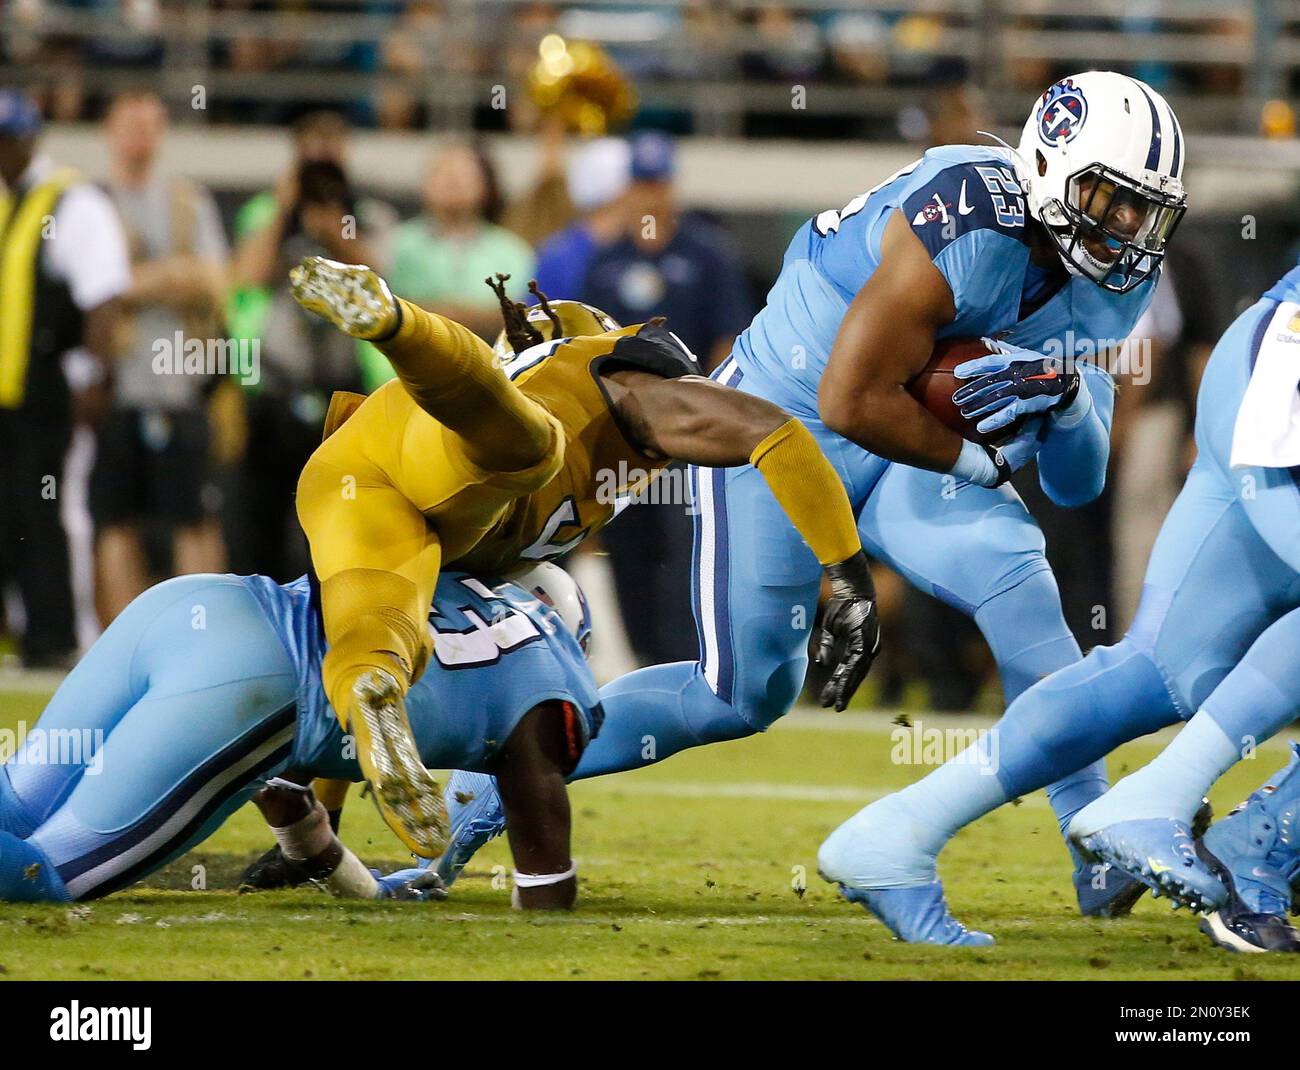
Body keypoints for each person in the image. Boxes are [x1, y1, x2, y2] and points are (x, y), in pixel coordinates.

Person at [431, 72, 1190, 943]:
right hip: (782, 423)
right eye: (1110, 198)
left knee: (1021, 586)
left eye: (1143, 209)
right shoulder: (966, 218)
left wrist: (1069, 398)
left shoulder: (1116, 277)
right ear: (1053, 167)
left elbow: (1076, 486)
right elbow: (849, 399)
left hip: (906, 436)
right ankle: (496, 779)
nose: (1127, 227)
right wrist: (981, 458)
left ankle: (1091, 839)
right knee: (738, 695)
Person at [283, 254, 878, 859]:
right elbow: (776, 434)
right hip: (439, 447)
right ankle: (397, 322)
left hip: (366, 492)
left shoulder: (580, 427)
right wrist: (849, 576)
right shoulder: (620, 385)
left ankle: (313, 824)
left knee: (374, 638)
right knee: (529, 451)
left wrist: (315, 828)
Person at [819, 257, 1300, 950]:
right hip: (1284, 359)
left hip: (1263, 362)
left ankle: (901, 828)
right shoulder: (971, 251)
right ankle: (1205, 819)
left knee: (1165, 673)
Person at [0, 562, 598, 911]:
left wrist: (360, 884)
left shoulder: (438, 571)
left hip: (193, 603)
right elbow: (544, 878)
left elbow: (284, 794)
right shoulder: (554, 679)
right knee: (47, 875)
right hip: (264, 678)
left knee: (17, 804)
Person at [0, 88, 130, 667]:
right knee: (12, 512)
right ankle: (24, 630)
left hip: (50, 389)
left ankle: (60, 636)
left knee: (53, 510)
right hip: (7, 393)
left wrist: (95, 377)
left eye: (8, 140)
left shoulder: (72, 202)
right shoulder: (7, 203)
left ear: (30, 139)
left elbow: (103, 296)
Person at [93, 90, 229, 621]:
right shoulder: (90, 202)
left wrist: (133, 283)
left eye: (150, 124)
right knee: (114, 517)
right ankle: (122, 632)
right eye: (130, 123)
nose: (140, 136)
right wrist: (172, 276)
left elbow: (214, 280)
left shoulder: (186, 201)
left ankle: (202, 628)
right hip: (112, 388)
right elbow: (93, 288)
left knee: (193, 514)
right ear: (109, 130)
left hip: (181, 384)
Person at [387, 141, 535, 340]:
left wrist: (446, 316)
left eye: (464, 174)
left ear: (485, 185)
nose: (453, 181)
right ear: (424, 184)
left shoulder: (512, 250)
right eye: (441, 172)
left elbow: (521, 314)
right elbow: (385, 307)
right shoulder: (397, 243)